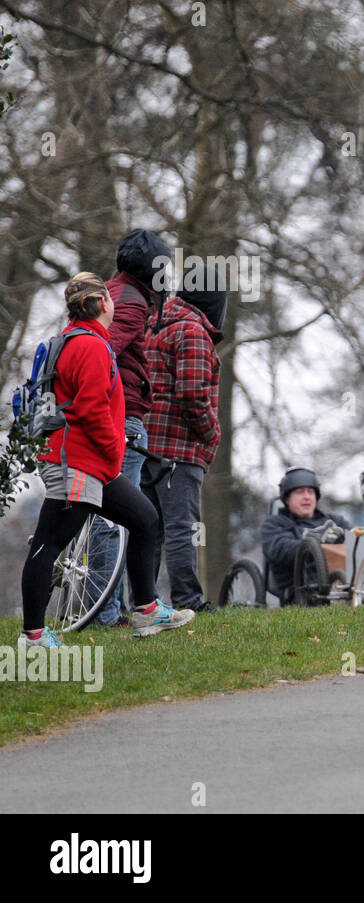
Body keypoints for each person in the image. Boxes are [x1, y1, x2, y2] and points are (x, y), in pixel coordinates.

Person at [18, 273, 194, 647]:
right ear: (101, 305)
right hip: (79, 462)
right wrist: (116, 449)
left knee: (144, 519)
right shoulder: (92, 346)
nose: (115, 304)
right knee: (50, 543)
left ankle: (146, 610)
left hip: (87, 462)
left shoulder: (76, 340)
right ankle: (33, 634)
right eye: (110, 300)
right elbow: (93, 408)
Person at [88, 228, 172, 627]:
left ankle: (108, 608)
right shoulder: (133, 302)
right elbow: (100, 349)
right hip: (122, 419)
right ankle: (110, 612)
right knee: (124, 519)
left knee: (104, 516)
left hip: (108, 416)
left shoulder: (108, 291)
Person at [142, 261, 225, 612]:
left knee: (148, 530)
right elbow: (192, 394)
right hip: (179, 449)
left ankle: (143, 602)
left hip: (144, 446)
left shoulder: (153, 326)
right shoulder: (192, 332)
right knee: (182, 529)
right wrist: (212, 434)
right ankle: (188, 600)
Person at [261, 467, 352, 605]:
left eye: (311, 492)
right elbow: (280, 549)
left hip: (343, 581)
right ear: (287, 499)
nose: (307, 497)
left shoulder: (336, 521)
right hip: (300, 590)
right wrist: (319, 542)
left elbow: (355, 542)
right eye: (299, 492)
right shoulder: (275, 524)